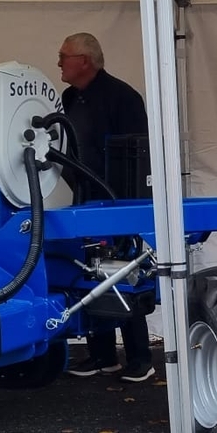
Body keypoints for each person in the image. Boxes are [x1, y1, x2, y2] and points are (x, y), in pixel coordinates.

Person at [57, 32, 154, 383]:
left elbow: (138, 153)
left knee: (123, 272)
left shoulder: (123, 97)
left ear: (83, 61)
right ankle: (102, 355)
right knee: (89, 271)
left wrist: (126, 205)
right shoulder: (69, 97)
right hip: (84, 197)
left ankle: (140, 358)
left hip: (117, 200)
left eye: (64, 56)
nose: (58, 63)